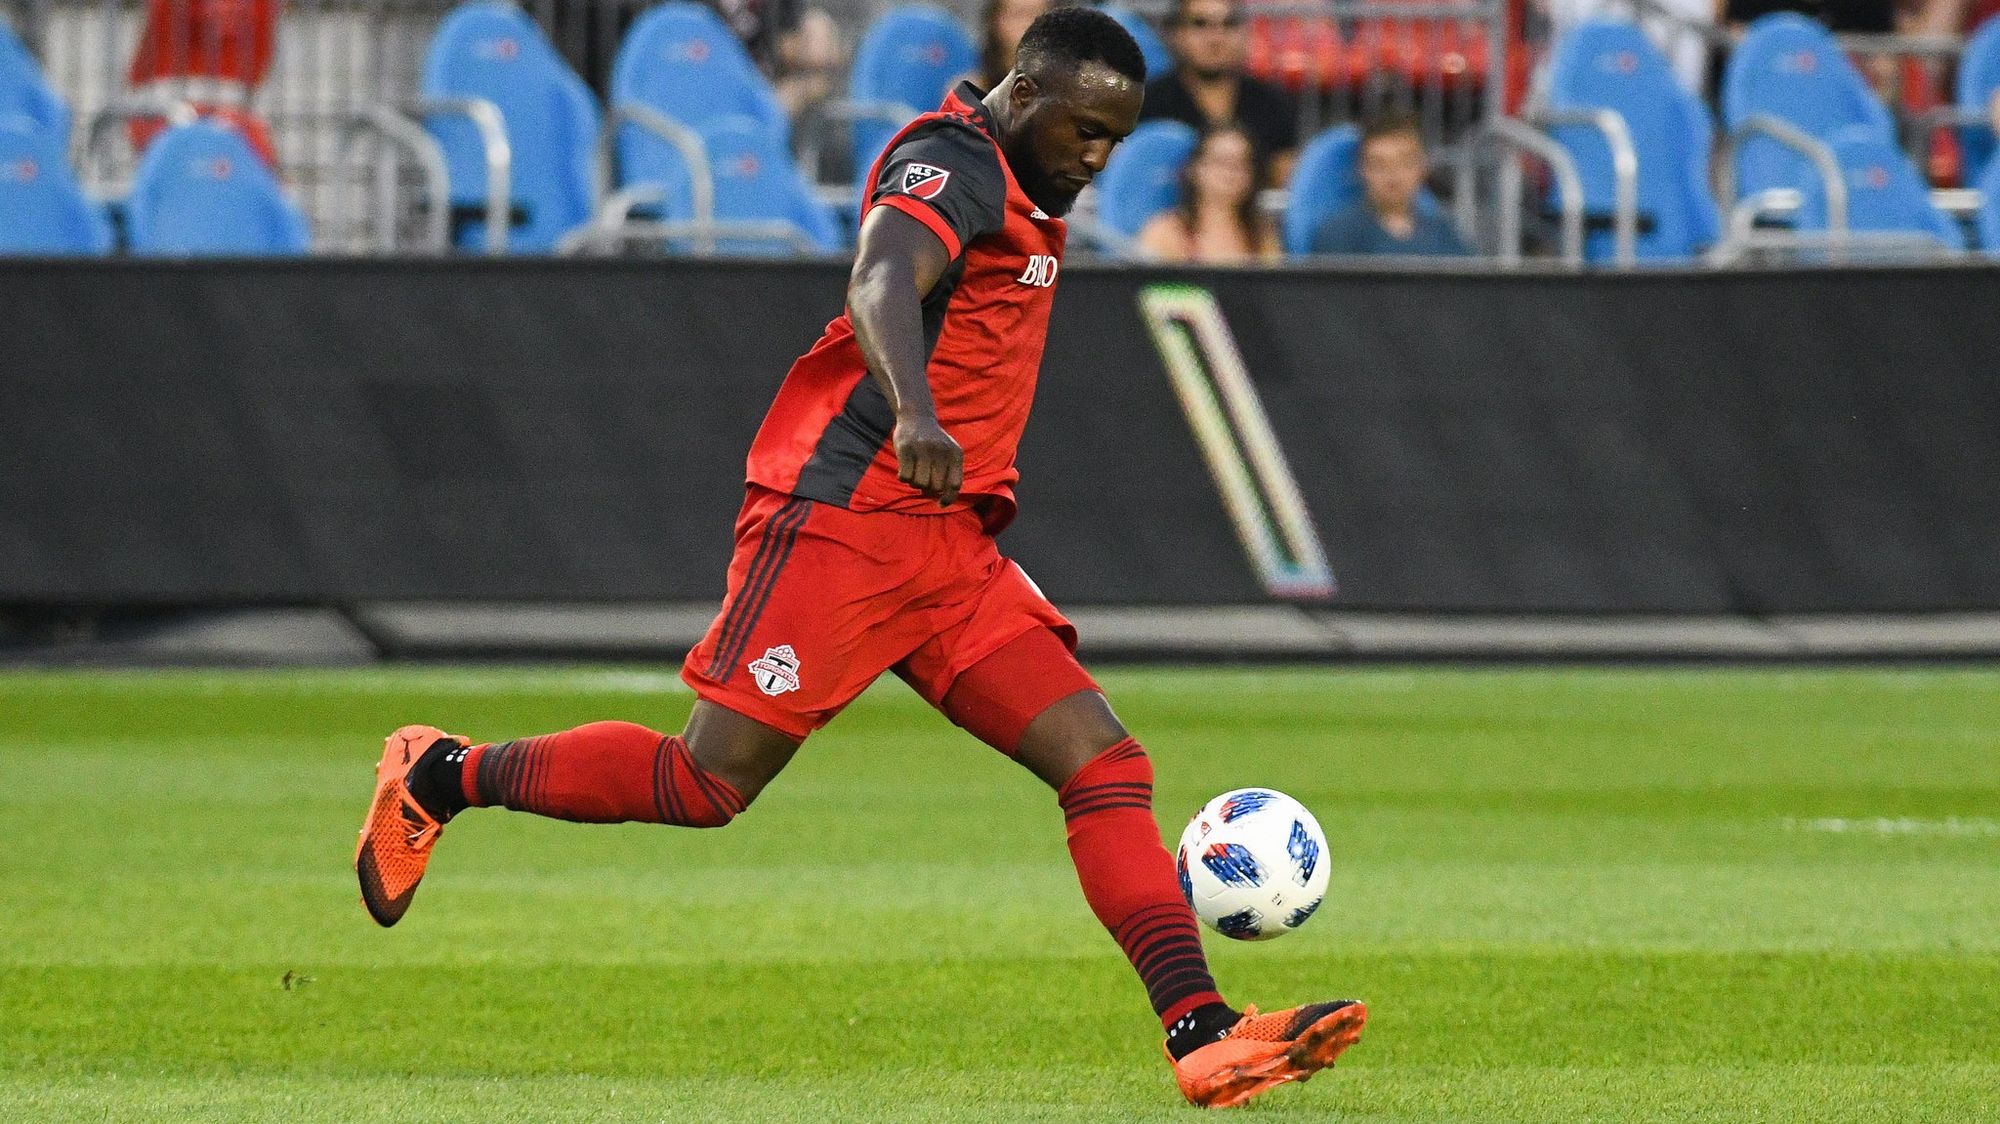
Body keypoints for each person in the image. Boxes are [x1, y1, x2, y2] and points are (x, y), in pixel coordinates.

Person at [352, 7, 1365, 1111]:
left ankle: (1200, 1031)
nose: (1095, 157)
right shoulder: (950, 164)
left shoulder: (1027, 180)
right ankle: (440, 773)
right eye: (1082, 130)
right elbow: (880, 278)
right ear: (1022, 96)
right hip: (842, 517)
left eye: (1114, 140)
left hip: (946, 542)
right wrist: (914, 412)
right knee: (702, 783)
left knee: (1104, 763)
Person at [1138, 0, 1299, 188]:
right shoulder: (1145, 102)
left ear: (1245, 33)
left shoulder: (1272, 103)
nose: (1215, 37)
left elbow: (1285, 179)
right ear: (1177, 34)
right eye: (1200, 23)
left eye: (1228, 24)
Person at [1310, 111, 1470, 257]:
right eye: (1379, 164)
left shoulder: (1445, 234)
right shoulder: (1336, 236)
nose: (1393, 175)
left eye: (1405, 162)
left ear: (1422, 167)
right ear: (1362, 169)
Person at [1137, 124, 1280, 263]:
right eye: (1221, 161)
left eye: (1242, 163)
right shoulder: (1164, 232)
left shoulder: (1263, 238)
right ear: (1195, 168)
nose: (1231, 172)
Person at [970, 0, 1057, 90]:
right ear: (995, 20)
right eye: (1019, 14)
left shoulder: (1067, 92)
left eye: (1041, 15)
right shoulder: (969, 93)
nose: (1031, 24)